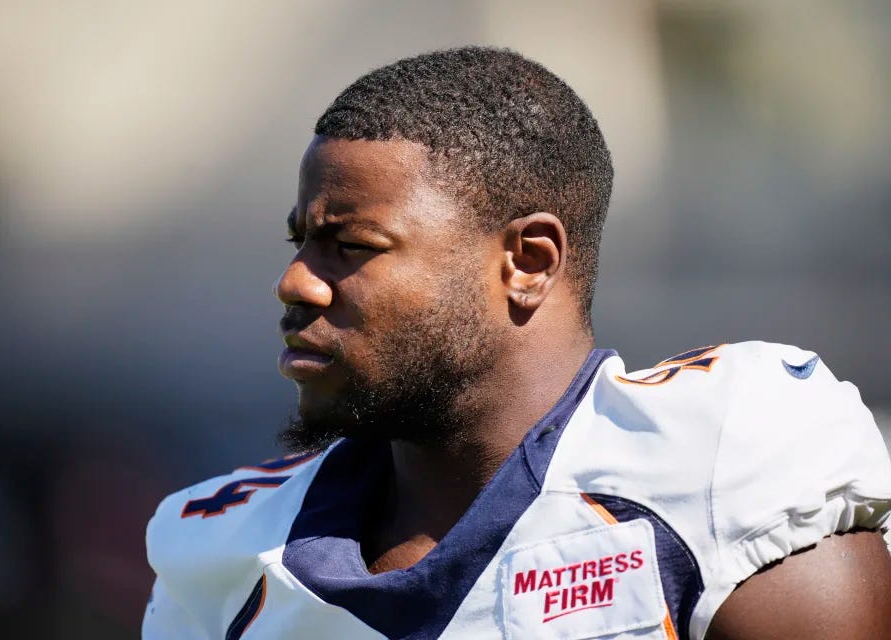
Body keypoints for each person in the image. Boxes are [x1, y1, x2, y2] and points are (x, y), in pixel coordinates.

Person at [142, 47, 891, 640]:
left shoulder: (721, 461)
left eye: (351, 245)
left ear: (527, 262)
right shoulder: (225, 552)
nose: (296, 282)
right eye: (300, 240)